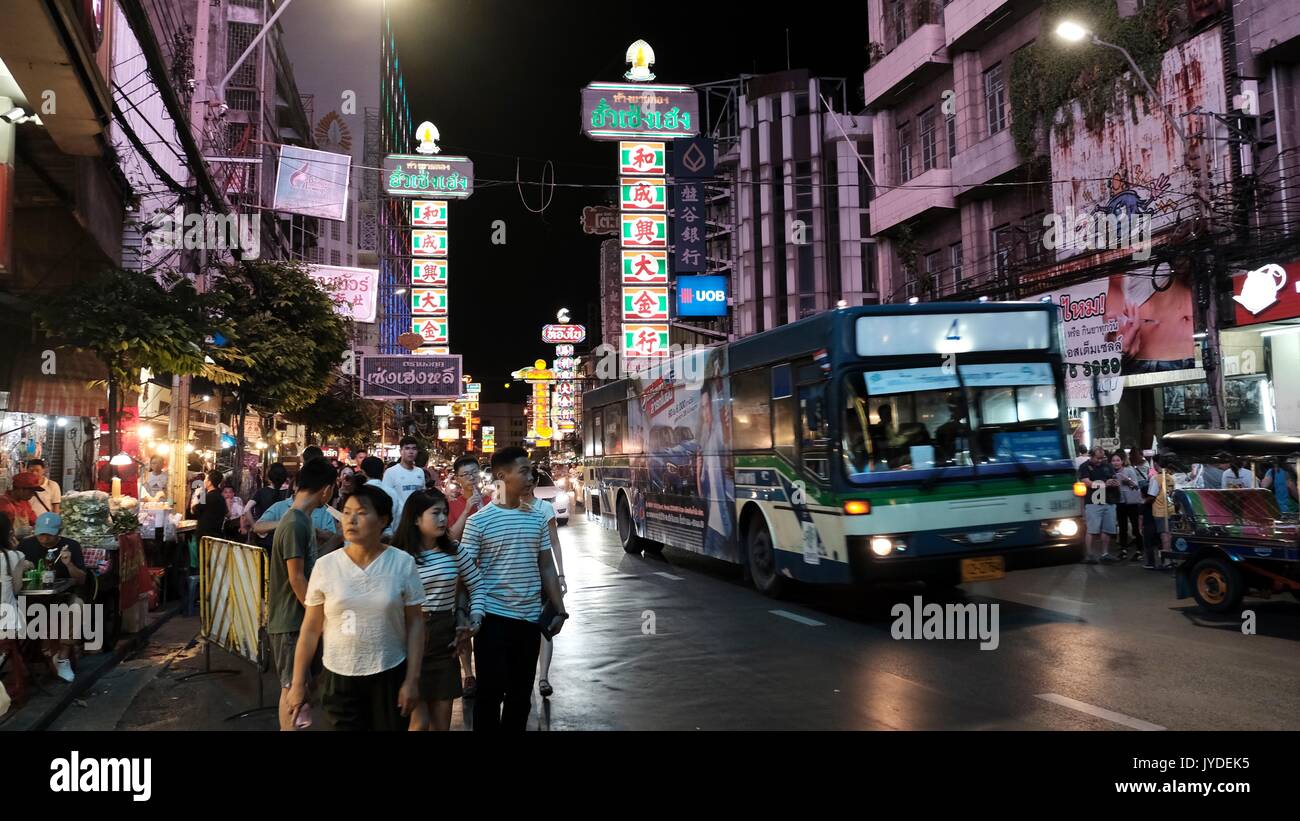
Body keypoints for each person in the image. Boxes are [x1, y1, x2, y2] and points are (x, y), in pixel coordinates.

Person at [287, 483, 425, 731]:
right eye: (347, 512)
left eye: (361, 513)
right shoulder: (326, 566)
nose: (350, 520)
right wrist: (298, 683)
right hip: (338, 678)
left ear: (383, 520)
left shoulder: (402, 564)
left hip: (389, 674)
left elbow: (415, 623)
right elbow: (310, 628)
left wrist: (412, 680)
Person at [462, 447, 567, 731]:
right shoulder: (478, 522)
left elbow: (546, 566)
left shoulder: (537, 517)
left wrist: (560, 609)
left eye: (531, 470)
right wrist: (467, 615)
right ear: (501, 476)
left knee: (521, 696)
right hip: (492, 621)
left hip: (529, 621)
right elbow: (466, 573)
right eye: (523, 471)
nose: (530, 476)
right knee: (490, 695)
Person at [392, 489, 485, 731]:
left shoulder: (454, 550)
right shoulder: (398, 555)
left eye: (445, 512)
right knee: (418, 722)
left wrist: (475, 618)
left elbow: (476, 585)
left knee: (441, 723)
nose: (444, 519)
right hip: (406, 639)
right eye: (436, 513)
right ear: (415, 518)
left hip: (445, 637)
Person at [266, 457, 337, 731]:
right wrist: (314, 617)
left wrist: (337, 539)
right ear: (326, 489)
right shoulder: (294, 523)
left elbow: (311, 564)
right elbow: (296, 578)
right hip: (290, 622)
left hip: (296, 620)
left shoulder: (302, 519)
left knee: (302, 688)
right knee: (291, 690)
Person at [18, 513, 87, 682]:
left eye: (49, 534)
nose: (44, 538)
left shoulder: (70, 546)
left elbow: (81, 579)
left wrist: (68, 564)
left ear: (59, 532)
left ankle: (63, 658)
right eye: (41, 533)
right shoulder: (25, 546)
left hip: (62, 596)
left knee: (77, 607)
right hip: (30, 599)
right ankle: (31, 659)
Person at [446, 455, 489, 697]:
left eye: (475, 473)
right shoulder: (452, 505)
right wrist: (469, 507)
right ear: (458, 479)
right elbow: (452, 537)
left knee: (484, 623)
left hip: (488, 570)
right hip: (461, 572)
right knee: (462, 622)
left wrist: (481, 505)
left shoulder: (493, 500)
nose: (471, 478)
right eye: (466, 475)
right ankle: (468, 674)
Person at [523, 469, 565, 700]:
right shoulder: (507, 509)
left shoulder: (545, 508)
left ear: (536, 482)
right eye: (524, 478)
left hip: (543, 576)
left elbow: (554, 543)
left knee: (545, 626)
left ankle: (544, 678)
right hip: (520, 578)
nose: (528, 483)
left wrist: (561, 575)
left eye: (532, 480)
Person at [1077, 446, 1120, 563]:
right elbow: (1087, 482)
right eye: (1097, 458)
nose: (1100, 460)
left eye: (1102, 458)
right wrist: (1104, 484)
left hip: (1109, 500)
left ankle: (1105, 553)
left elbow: (1114, 477)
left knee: (1107, 529)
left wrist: (1114, 482)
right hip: (1093, 501)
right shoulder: (1085, 466)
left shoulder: (1107, 466)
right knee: (1092, 529)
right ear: (1091, 456)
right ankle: (1089, 555)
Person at [244, 463, 291, 546]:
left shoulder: (261, 492)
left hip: (264, 536)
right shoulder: (290, 493)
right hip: (285, 536)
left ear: (268, 476)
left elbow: (246, 509)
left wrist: (254, 526)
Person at [1145, 455, 1176, 570]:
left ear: (1156, 464)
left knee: (1164, 535)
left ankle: (1167, 561)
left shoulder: (1156, 478)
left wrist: (1143, 501)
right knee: (1169, 535)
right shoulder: (1171, 478)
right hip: (1170, 509)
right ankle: (1169, 559)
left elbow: (1152, 496)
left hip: (1160, 511)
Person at [359, 457, 403, 537]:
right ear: (383, 471)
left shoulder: (358, 492)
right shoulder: (392, 492)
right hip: (388, 536)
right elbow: (398, 516)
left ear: (363, 472)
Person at [1114, 451, 1145, 562]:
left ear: (1122, 461)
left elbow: (1136, 486)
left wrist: (1128, 481)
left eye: (1118, 460)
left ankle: (1140, 550)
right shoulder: (1111, 472)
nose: (1116, 463)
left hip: (1131, 503)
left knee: (1136, 527)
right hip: (1120, 502)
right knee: (1122, 527)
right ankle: (1123, 550)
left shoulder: (1129, 470)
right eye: (1113, 460)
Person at [384, 437, 427, 510]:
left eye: (414, 448)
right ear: (400, 451)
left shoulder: (420, 472)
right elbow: (385, 499)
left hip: (417, 518)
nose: (411, 452)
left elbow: (423, 495)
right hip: (399, 519)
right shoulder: (390, 472)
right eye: (407, 448)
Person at [0, 472, 41, 540]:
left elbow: (35, 521)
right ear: (20, 489)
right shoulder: (4, 505)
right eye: (31, 491)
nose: (33, 494)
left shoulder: (25, 502)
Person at [194, 471, 227, 541]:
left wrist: (197, 496)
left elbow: (194, 510)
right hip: (216, 535)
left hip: (205, 536)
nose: (204, 481)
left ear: (210, 482)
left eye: (205, 479)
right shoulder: (221, 497)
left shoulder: (207, 497)